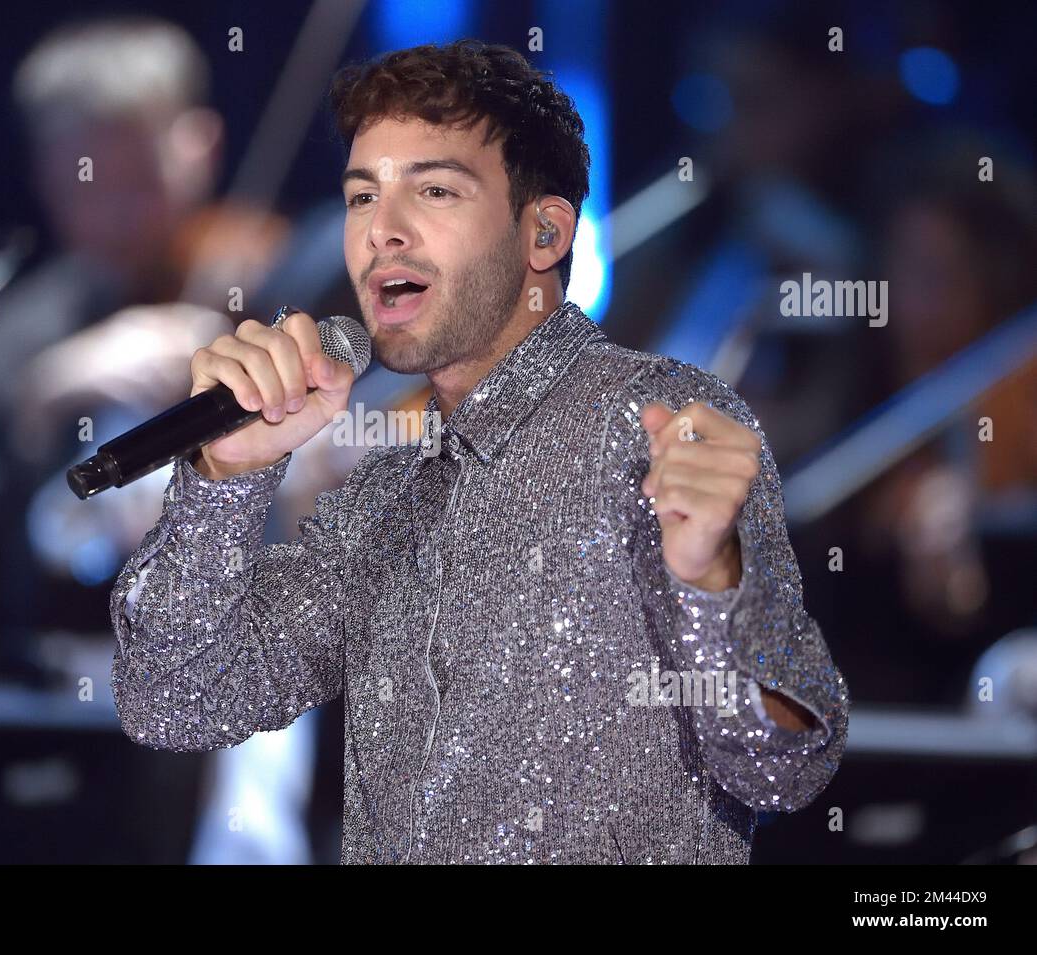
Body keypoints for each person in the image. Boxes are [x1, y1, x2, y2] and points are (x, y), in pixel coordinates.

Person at [109, 40, 847, 864]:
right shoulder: (385, 497)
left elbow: (787, 770)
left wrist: (713, 585)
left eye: (433, 191)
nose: (381, 232)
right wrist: (226, 478)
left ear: (544, 230)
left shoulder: (659, 425)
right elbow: (174, 703)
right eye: (361, 197)